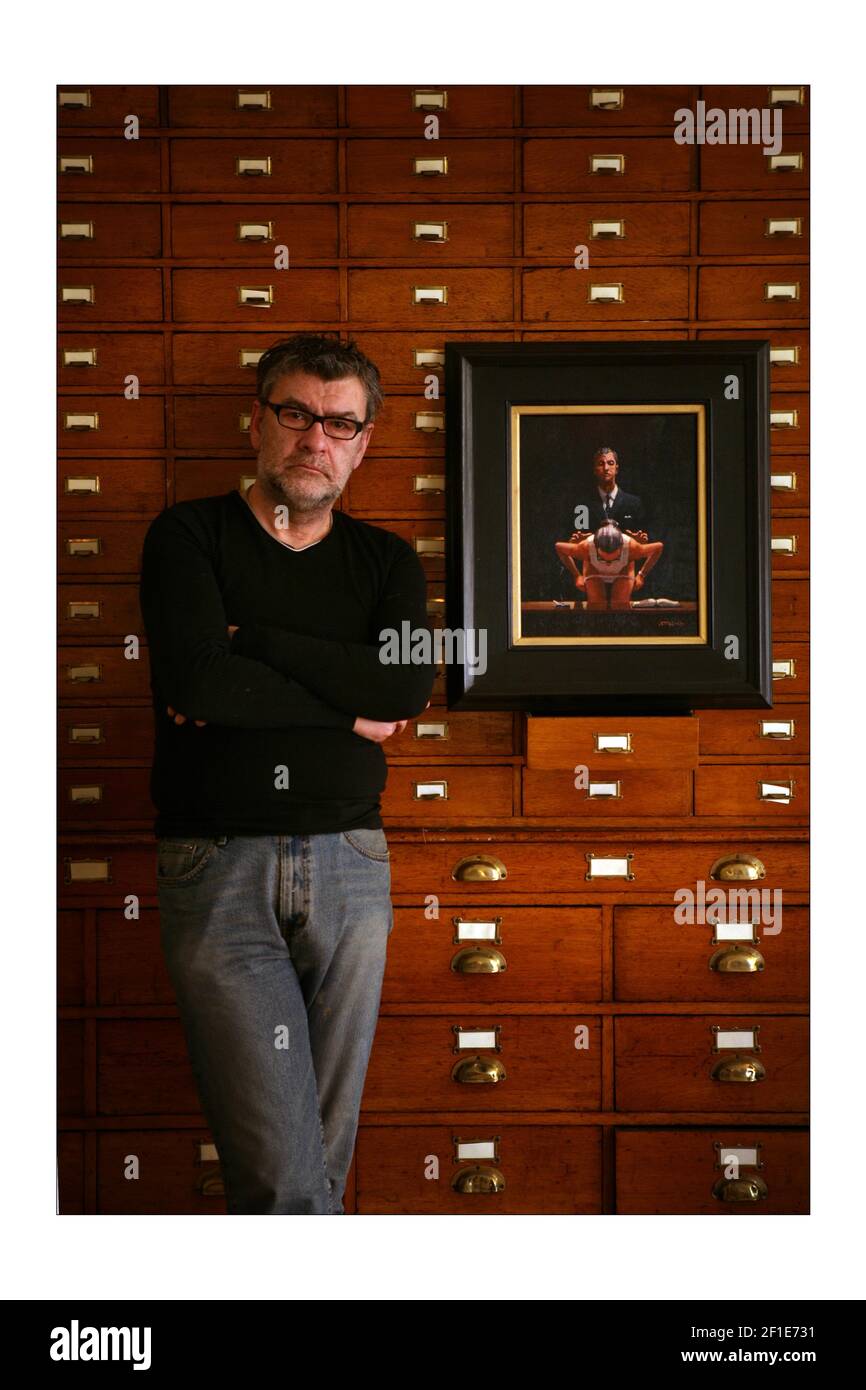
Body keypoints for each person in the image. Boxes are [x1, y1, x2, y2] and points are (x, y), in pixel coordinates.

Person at [138, 333, 436, 1214]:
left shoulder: (384, 561)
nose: (317, 440)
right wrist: (346, 711)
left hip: (351, 862)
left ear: (364, 442)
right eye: (298, 414)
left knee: (320, 1170)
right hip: (219, 862)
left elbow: (403, 684)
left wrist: (255, 643)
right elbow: (197, 681)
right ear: (258, 422)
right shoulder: (188, 535)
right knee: (282, 1178)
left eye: (340, 424)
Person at [555, 517, 663, 611]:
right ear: (596, 548)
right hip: (594, 570)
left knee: (620, 606)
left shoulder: (632, 547)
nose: (608, 563)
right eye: (603, 558)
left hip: (622, 570)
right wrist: (577, 576)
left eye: (614, 558)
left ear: (621, 547)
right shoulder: (585, 547)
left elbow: (658, 547)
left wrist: (641, 575)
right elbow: (559, 547)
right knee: (597, 606)